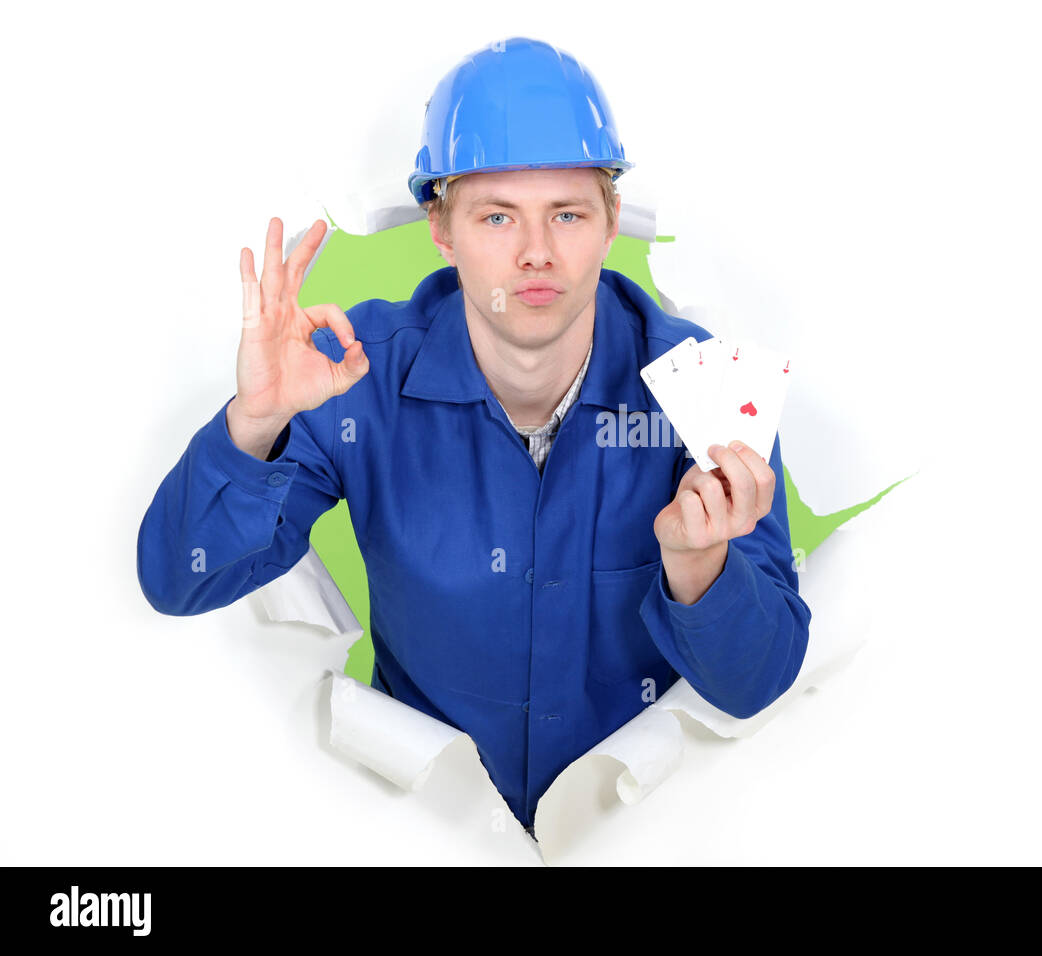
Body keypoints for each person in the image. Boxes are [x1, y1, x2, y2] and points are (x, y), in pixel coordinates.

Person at [136, 37, 811, 838]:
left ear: (610, 222)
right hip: (425, 829)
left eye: (567, 213)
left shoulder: (707, 388)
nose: (536, 252)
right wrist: (254, 424)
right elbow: (178, 582)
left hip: (640, 831)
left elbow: (757, 683)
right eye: (497, 216)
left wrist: (701, 569)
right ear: (441, 229)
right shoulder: (351, 375)